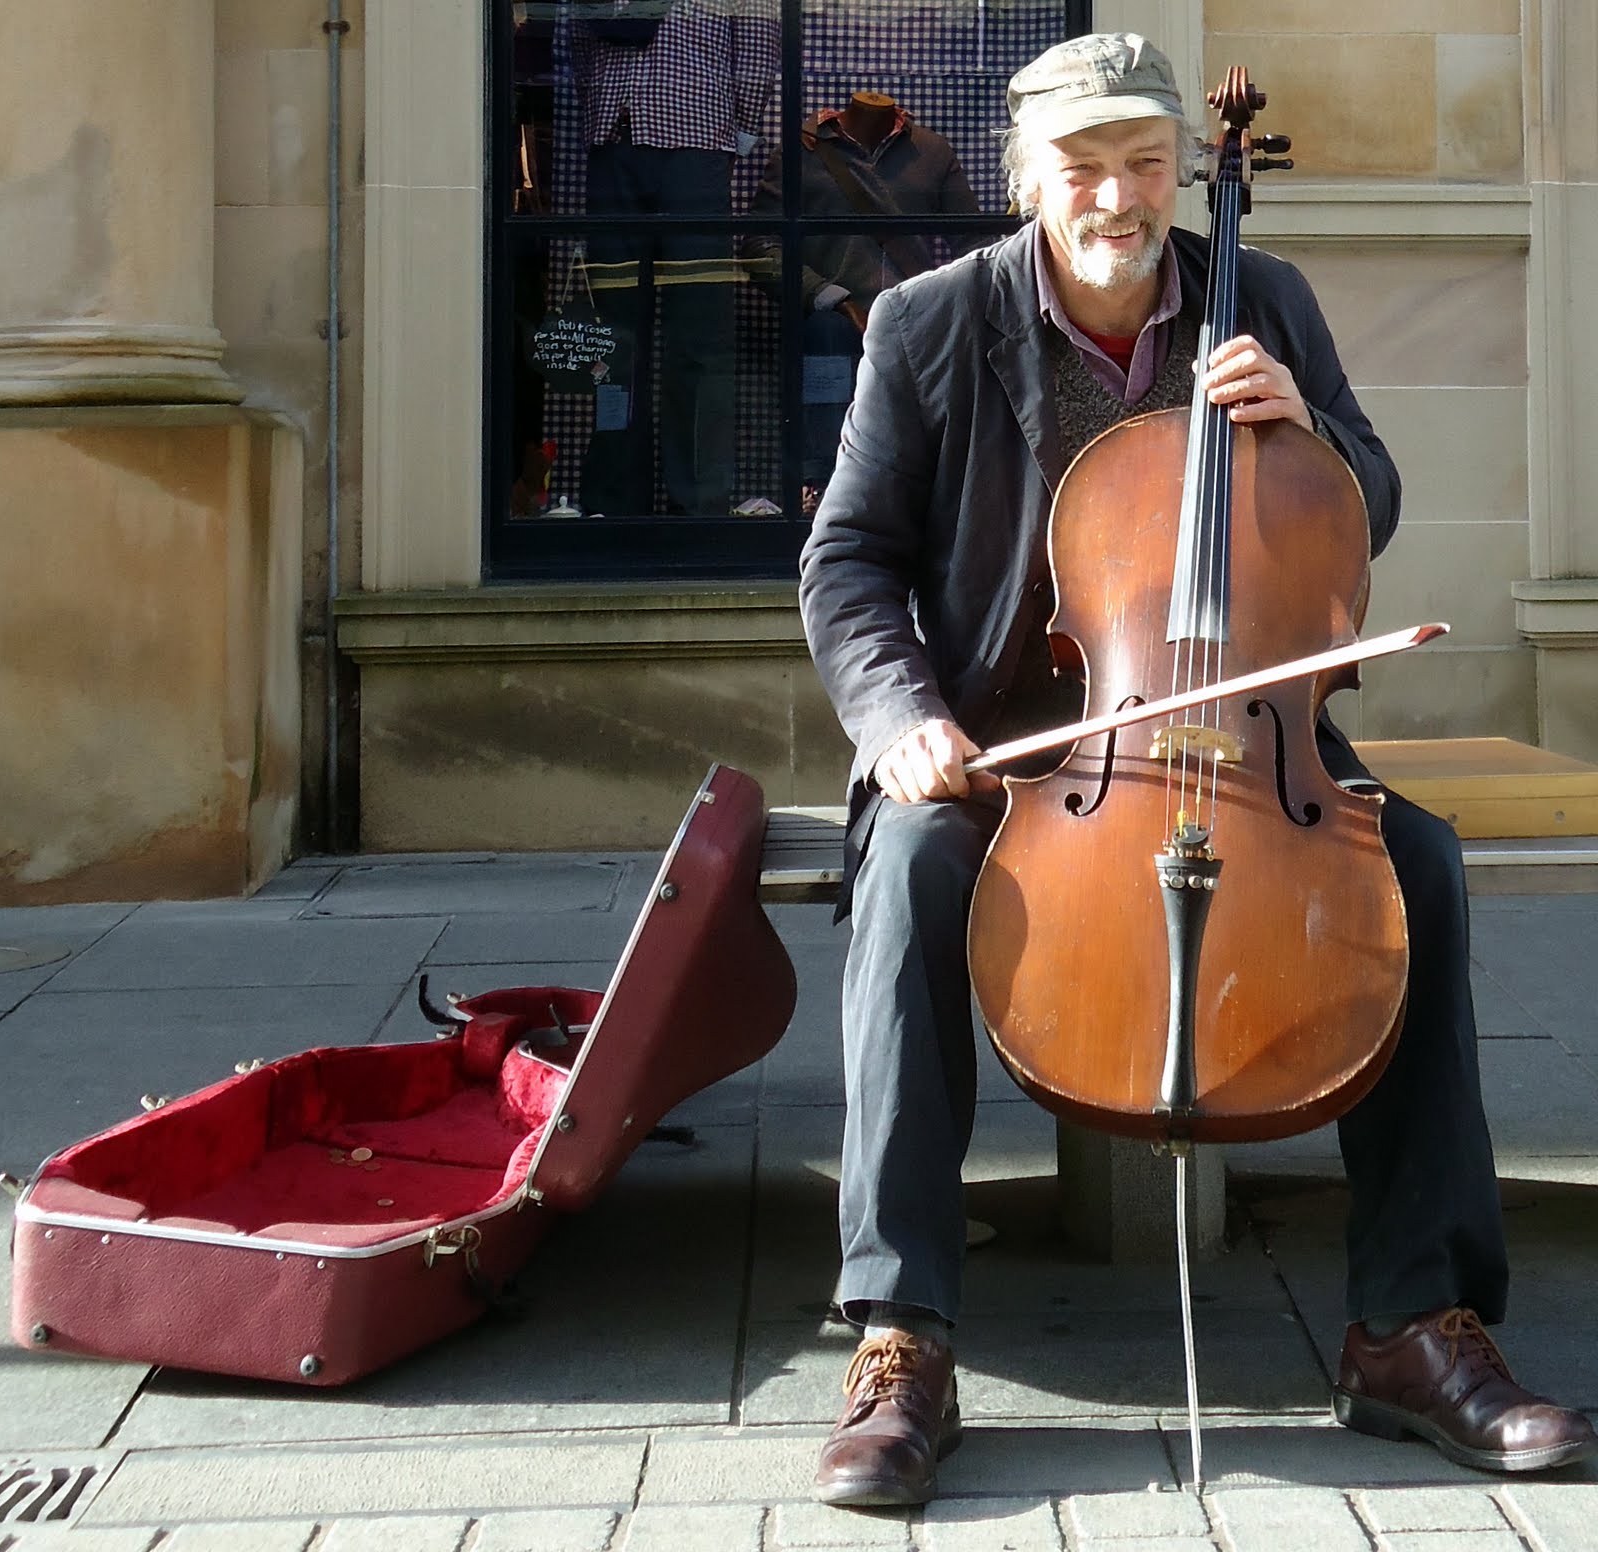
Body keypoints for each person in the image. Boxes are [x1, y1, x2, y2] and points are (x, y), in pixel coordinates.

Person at [797, 31, 1597, 1509]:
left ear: (1181, 170)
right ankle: (902, 1335)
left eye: (1147, 164)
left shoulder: (1263, 296)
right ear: (1030, 176)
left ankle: (1415, 1324)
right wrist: (901, 717)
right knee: (907, 875)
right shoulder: (925, 322)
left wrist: (1317, 438)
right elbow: (845, 562)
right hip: (1000, 745)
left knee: (1413, 859)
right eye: (1086, 166)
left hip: (1234, 734)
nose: (1119, 195)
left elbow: (1373, 495)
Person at [569, 0, 779, 517]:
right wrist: (597, 104)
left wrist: (737, 131)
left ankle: (698, 496)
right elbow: (575, 30)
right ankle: (617, 497)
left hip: (692, 145)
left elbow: (759, 43)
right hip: (620, 138)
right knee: (613, 335)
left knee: (699, 332)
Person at [742, 92, 982, 510]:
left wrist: (944, 303)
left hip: (915, 315)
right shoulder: (803, 152)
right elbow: (760, 245)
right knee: (826, 347)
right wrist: (827, 296)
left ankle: (935, 494)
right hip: (829, 319)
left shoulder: (930, 150)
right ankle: (819, 486)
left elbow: (974, 242)